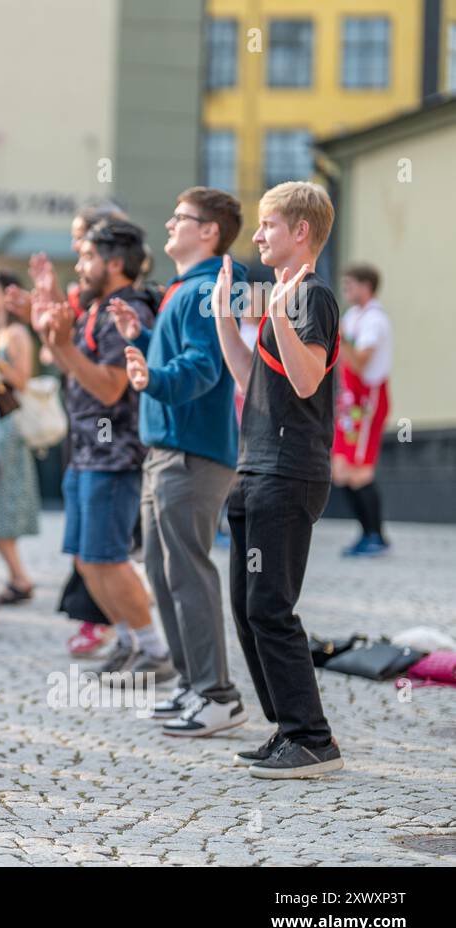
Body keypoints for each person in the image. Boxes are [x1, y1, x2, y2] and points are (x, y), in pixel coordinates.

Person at [212, 181, 344, 779]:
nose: (258, 235)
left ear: (301, 232)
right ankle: (286, 727)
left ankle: (311, 738)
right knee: (246, 605)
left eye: (268, 225)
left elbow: (309, 377)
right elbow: (252, 377)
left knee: (270, 605)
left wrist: (277, 316)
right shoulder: (283, 299)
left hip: (288, 473)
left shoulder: (311, 296)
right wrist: (225, 322)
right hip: (256, 466)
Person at [120, 187, 248, 736]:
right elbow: (180, 356)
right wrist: (143, 337)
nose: (169, 224)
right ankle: (193, 684)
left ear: (209, 231)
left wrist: (156, 377)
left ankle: (217, 694)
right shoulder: (185, 289)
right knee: (163, 569)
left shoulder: (202, 290)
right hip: (169, 450)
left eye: (182, 218)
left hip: (191, 453)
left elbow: (202, 366)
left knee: (187, 571)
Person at [35, 219, 169, 678]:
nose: (79, 264)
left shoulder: (124, 311)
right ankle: (130, 642)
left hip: (115, 456)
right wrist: (53, 335)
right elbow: (71, 361)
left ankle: (155, 651)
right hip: (88, 451)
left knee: (107, 557)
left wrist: (62, 348)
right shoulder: (98, 308)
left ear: (114, 263)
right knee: (87, 558)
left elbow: (111, 388)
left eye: (88, 256)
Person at [333, 263, 392, 557]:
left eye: (350, 285)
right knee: (340, 470)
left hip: (367, 402)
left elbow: (360, 363)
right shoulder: (353, 316)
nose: (346, 291)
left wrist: (337, 337)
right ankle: (368, 533)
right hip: (350, 401)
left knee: (359, 471)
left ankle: (375, 535)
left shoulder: (374, 320)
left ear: (366, 286)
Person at [0, 271, 41, 605]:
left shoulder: (16, 333)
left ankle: (20, 578)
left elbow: (23, 380)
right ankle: (16, 576)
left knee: (3, 507)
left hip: (8, 425)